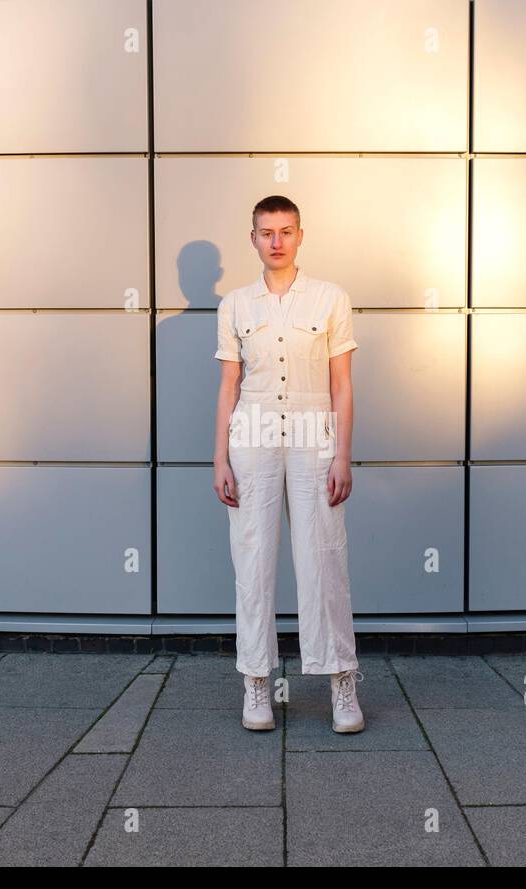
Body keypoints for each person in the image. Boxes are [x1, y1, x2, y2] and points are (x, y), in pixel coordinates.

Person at [212, 195, 364, 734]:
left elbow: (342, 384)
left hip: (312, 432)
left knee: (323, 557)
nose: (276, 241)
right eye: (266, 232)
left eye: (286, 231)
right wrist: (219, 460)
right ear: (252, 238)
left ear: (301, 235)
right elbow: (228, 385)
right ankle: (256, 682)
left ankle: (342, 681)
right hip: (250, 435)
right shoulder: (235, 305)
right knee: (251, 558)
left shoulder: (330, 298)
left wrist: (342, 453)